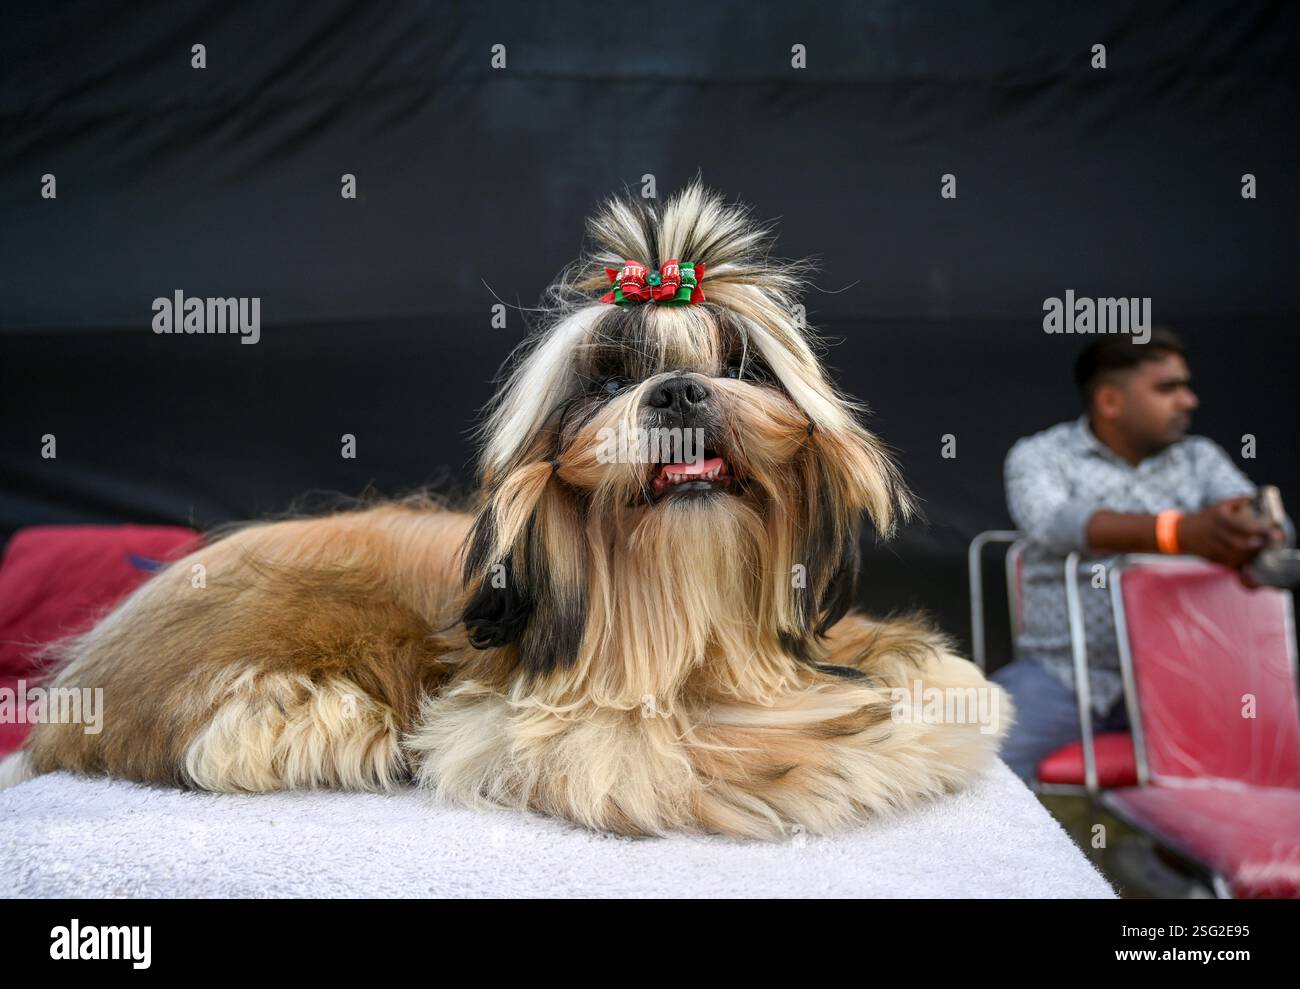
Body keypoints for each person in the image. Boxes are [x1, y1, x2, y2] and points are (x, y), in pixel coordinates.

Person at [994, 329, 1286, 784]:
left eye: (1185, 385)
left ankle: (1159, 856)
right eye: (1168, 388)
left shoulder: (1200, 459)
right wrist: (1179, 532)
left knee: (1260, 766)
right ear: (1110, 402)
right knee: (976, 758)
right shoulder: (1042, 455)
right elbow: (1053, 522)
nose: (1189, 401)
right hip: (1065, 676)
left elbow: (1267, 522)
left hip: (1191, 678)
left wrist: (1258, 532)